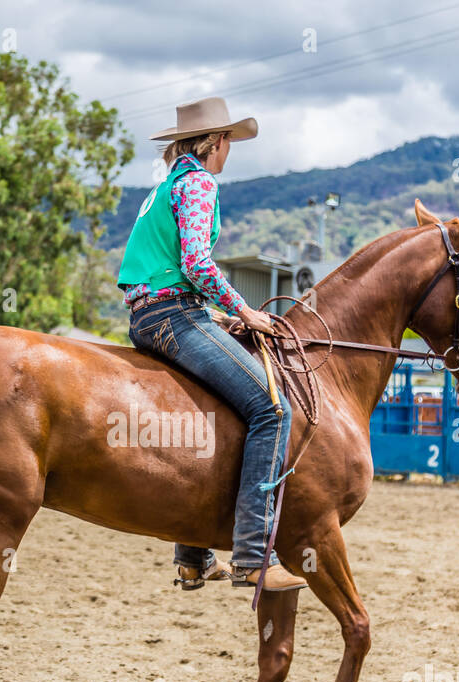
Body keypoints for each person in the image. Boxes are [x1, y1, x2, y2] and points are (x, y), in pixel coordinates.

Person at [117, 97, 307, 593]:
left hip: (148, 315)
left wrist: (220, 315)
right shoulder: (199, 182)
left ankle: (194, 558)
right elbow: (199, 264)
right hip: (172, 317)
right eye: (229, 143)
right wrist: (245, 311)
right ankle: (251, 556)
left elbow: (175, 270)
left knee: (219, 406)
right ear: (217, 142)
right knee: (273, 409)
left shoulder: (165, 185)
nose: (229, 152)